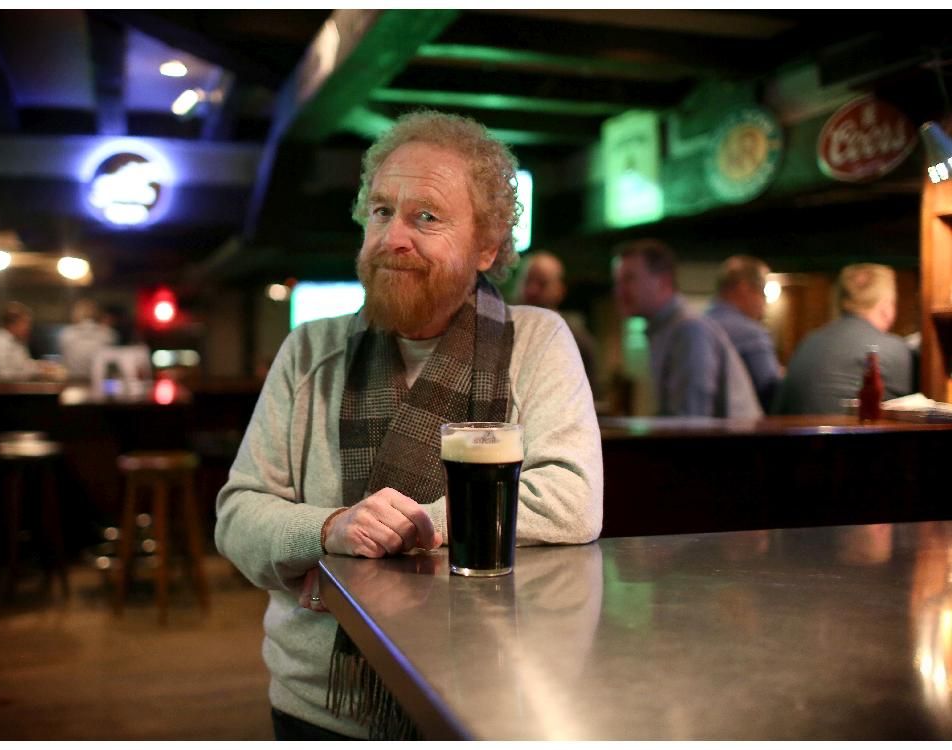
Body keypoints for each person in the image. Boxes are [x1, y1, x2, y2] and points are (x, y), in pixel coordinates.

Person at [215, 111, 603, 740]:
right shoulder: (308, 350)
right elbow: (237, 516)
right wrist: (330, 527)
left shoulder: (536, 340)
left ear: (487, 245)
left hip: (484, 689)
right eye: (379, 211)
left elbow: (572, 500)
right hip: (320, 703)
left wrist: (400, 533)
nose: (393, 236)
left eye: (426, 216)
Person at [612, 239, 762, 418]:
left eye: (629, 279)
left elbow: (691, 424)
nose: (619, 291)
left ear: (663, 282)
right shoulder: (667, 328)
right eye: (617, 282)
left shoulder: (689, 330)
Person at [773, 263, 913, 414]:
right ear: (886, 308)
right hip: (856, 437)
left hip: (792, 436)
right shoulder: (893, 349)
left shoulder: (808, 342)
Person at [516, 250, 600, 396]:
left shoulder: (578, 339)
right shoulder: (506, 331)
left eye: (542, 283)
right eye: (528, 281)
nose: (532, 290)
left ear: (560, 290)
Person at [705, 255, 782, 411]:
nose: (764, 303)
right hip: (743, 429)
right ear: (744, 288)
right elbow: (771, 391)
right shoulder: (750, 333)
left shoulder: (700, 325)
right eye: (762, 292)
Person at [0, 301, 57, 380]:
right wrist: (37, 372)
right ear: (14, 323)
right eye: (26, 323)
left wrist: (40, 366)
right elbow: (3, 376)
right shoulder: (0, 343)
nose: (28, 328)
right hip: (5, 391)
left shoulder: (15, 341)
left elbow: (22, 365)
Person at [58, 298, 118, 380]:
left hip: (72, 381)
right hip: (99, 382)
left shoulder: (66, 334)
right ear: (97, 314)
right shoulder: (109, 334)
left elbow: (64, 361)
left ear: (75, 314)